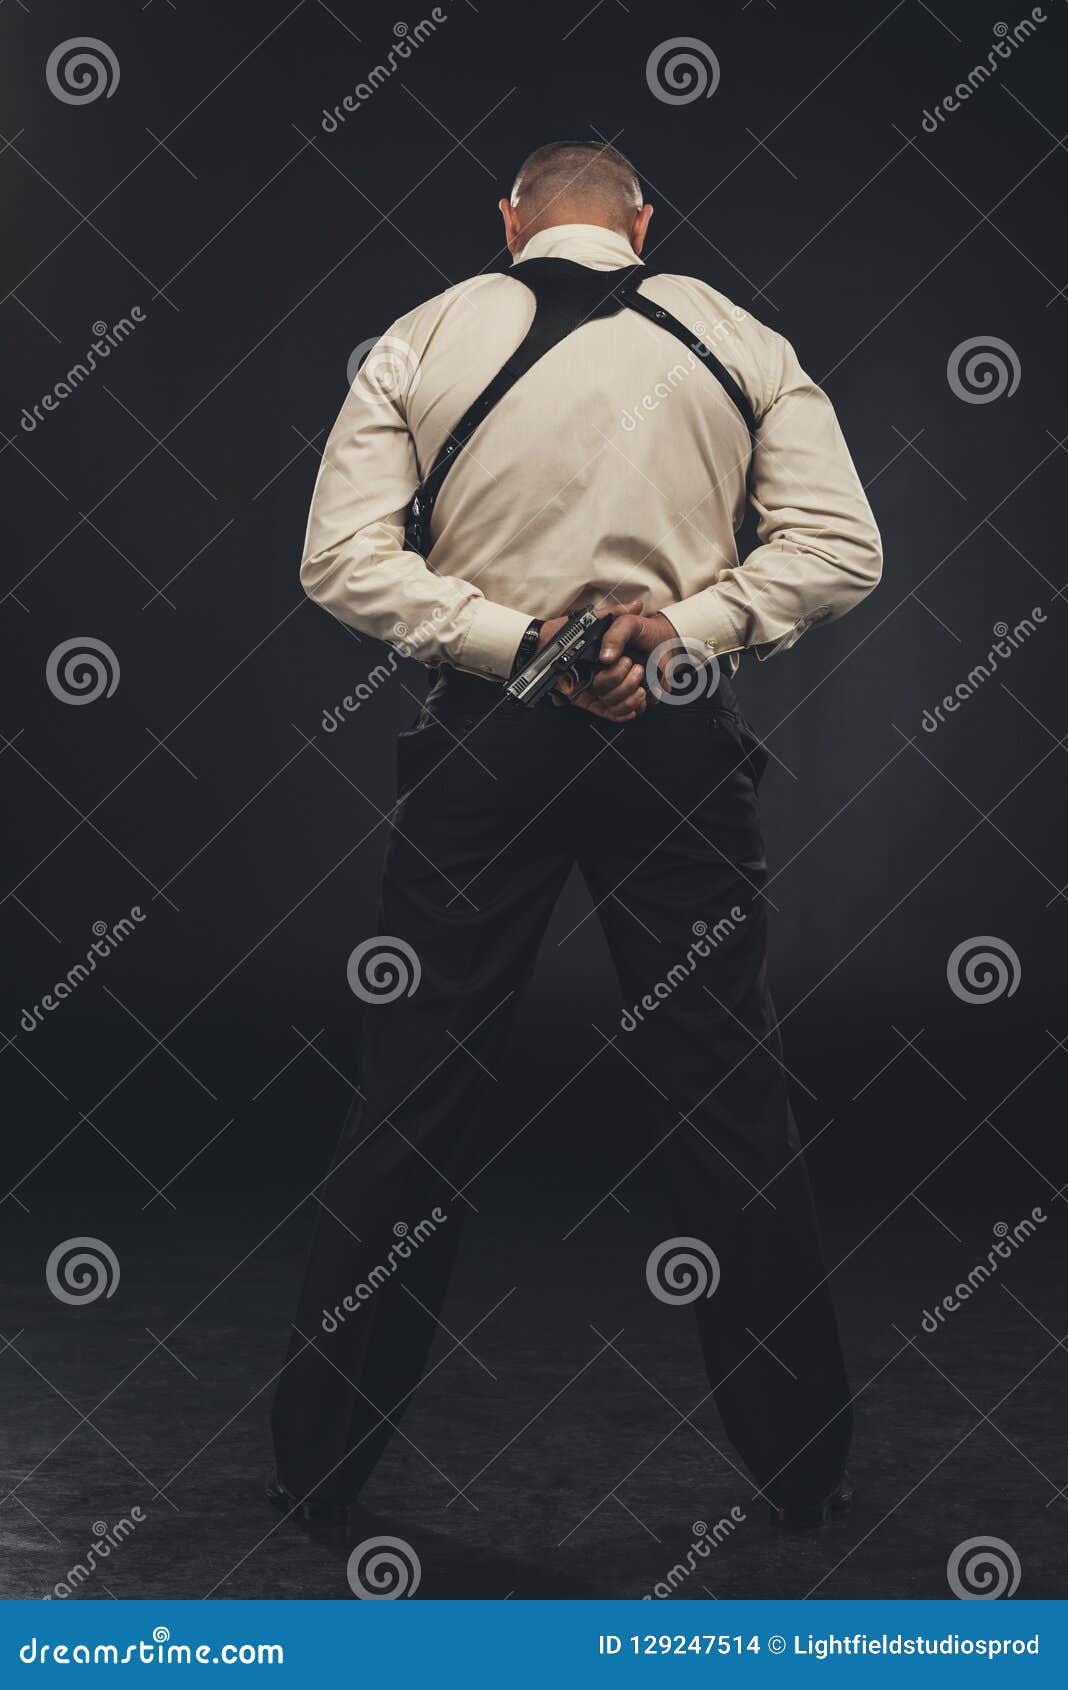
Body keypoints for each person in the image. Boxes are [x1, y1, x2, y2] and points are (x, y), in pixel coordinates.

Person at [269, 141, 882, 1535]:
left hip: (486, 746)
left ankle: (315, 1473)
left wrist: (519, 643)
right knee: (732, 1092)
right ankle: (807, 1471)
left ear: (510, 223)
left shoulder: (426, 334)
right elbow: (841, 546)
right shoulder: (735, 334)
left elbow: (341, 558)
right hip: (673, 735)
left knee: (415, 1088)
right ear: (642, 224)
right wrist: (685, 630)